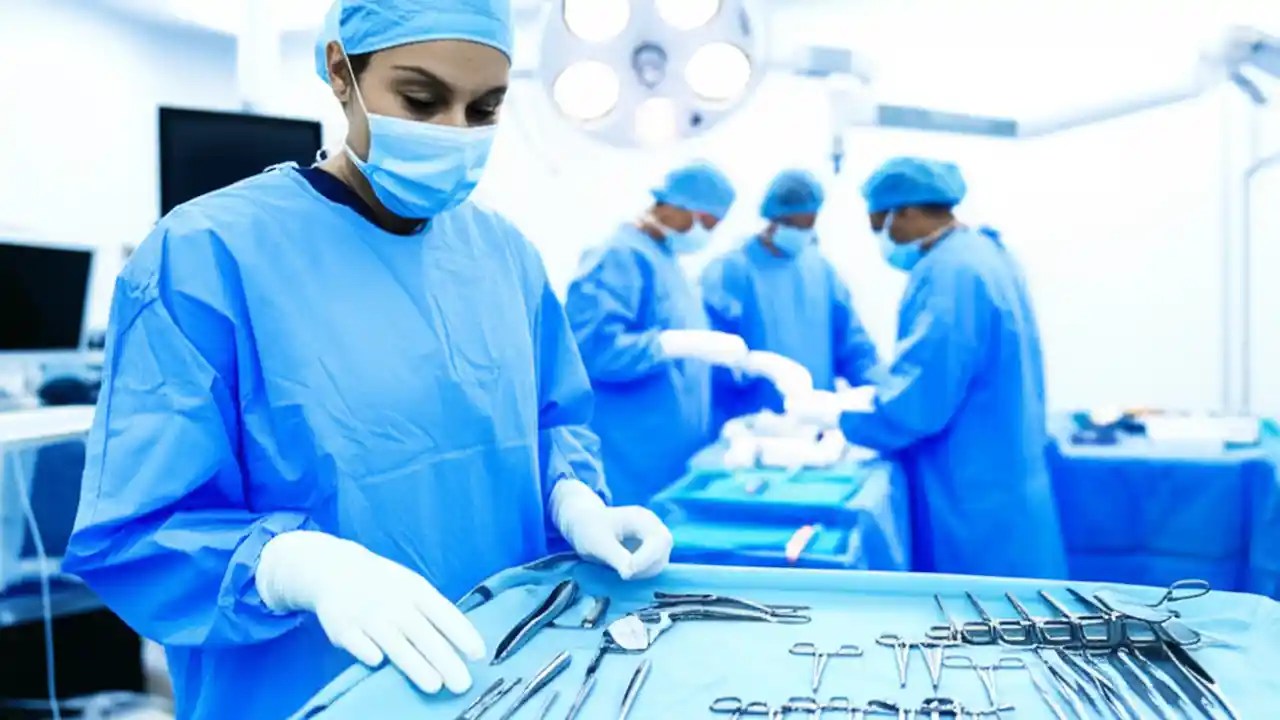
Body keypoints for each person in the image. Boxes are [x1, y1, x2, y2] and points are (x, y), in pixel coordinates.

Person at [62, 3, 673, 718]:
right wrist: (294, 568)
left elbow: (550, 425)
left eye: (485, 109)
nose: (454, 132)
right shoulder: (205, 257)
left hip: (502, 681)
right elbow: (136, 529)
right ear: (339, 72)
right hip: (302, 694)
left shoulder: (504, 256)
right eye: (421, 99)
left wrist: (574, 500)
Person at [788, 157, 1066, 580]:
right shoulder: (986, 253)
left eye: (880, 223)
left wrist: (838, 416)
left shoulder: (950, 272)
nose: (882, 237)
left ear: (910, 212)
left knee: (978, 627)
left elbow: (921, 401)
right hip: (1004, 477)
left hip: (971, 492)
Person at [565, 162, 742, 506]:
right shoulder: (618, 254)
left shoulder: (666, 260)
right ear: (674, 206)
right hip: (632, 462)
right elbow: (591, 350)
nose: (707, 231)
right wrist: (673, 343)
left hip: (672, 459)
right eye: (705, 221)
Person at [700, 168, 879, 425]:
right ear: (774, 218)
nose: (803, 230)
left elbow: (853, 345)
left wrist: (881, 392)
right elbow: (713, 356)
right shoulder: (731, 272)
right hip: (748, 425)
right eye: (794, 223)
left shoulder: (821, 271)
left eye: (809, 223)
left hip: (815, 424)